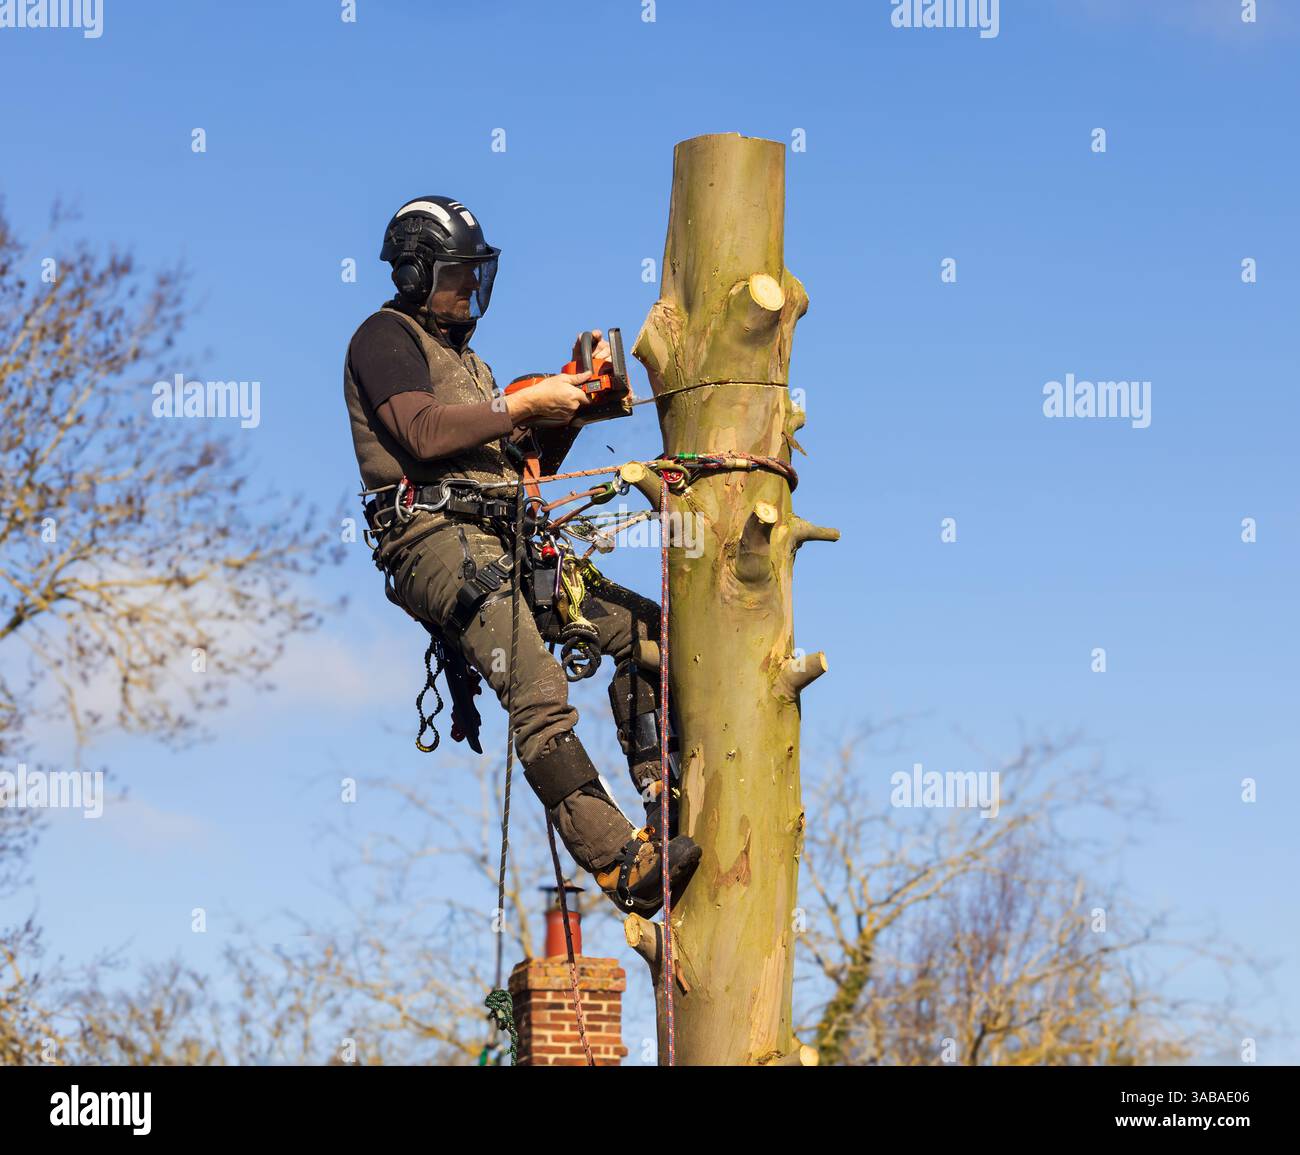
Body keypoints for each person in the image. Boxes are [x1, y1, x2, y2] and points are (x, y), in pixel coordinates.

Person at [342, 195, 700, 915]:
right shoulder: (383, 337)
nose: (468, 292)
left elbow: (517, 468)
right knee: (537, 687)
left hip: (502, 535)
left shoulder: (469, 363)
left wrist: (570, 407)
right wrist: (527, 404)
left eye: (476, 276)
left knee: (646, 633)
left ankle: (665, 795)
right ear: (414, 274)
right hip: (434, 544)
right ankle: (619, 861)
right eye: (455, 276)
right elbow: (422, 432)